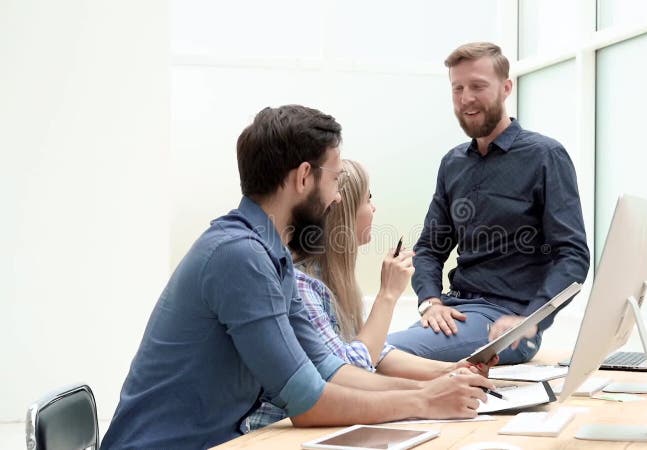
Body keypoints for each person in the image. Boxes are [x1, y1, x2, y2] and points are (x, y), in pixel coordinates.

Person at [100, 105, 492, 449]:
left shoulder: (270, 256)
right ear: (304, 177)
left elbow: (328, 369)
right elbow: (308, 401)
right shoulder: (239, 257)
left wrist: (432, 391)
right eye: (336, 180)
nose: (339, 197)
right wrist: (423, 400)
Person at [247, 159, 498, 430]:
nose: (373, 207)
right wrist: (387, 296)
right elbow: (347, 371)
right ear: (343, 212)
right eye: (368, 198)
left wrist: (448, 372)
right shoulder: (303, 284)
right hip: (273, 431)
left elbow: (379, 353)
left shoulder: (334, 280)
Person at [387, 42, 590, 365]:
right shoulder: (452, 163)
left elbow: (573, 256)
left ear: (506, 88)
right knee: (368, 355)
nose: (466, 98)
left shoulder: (545, 156)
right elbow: (429, 248)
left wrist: (529, 320)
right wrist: (430, 301)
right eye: (458, 88)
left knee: (373, 354)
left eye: (478, 86)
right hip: (457, 313)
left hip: (505, 323)